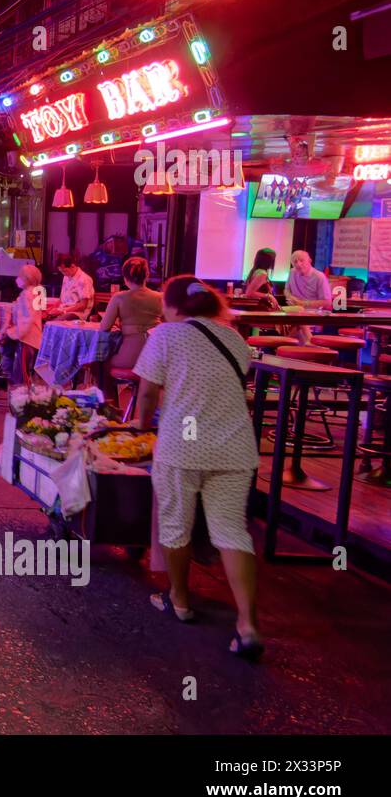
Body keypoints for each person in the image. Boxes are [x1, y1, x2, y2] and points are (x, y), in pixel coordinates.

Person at [133, 275, 264, 660]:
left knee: (176, 524)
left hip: (182, 445)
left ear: (173, 307)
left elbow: (146, 391)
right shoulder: (237, 341)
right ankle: (248, 624)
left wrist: (141, 428)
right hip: (235, 446)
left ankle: (179, 599)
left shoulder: (164, 336)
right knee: (231, 531)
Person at [99, 256, 162, 373]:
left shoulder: (119, 297)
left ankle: (109, 392)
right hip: (157, 354)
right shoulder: (160, 297)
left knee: (98, 364)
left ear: (125, 278)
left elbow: (104, 327)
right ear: (147, 276)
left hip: (131, 354)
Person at [0, 264, 44, 384]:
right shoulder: (35, 292)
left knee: (21, 377)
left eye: (20, 276)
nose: (17, 278)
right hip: (29, 338)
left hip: (26, 339)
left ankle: (19, 400)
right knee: (20, 373)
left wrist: (9, 333)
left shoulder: (28, 295)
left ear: (27, 279)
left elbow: (26, 321)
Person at [285, 250, 332, 345]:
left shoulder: (319, 276)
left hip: (313, 312)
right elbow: (286, 290)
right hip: (295, 310)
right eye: (295, 261)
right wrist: (290, 298)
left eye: (301, 260)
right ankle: (309, 343)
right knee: (284, 313)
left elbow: (328, 302)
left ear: (309, 261)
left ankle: (309, 343)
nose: (298, 264)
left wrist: (303, 303)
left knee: (300, 316)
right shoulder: (292, 272)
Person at [54, 253, 94, 318]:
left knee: (55, 322)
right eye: (61, 271)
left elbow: (83, 305)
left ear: (73, 266)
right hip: (63, 309)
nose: (63, 273)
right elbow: (61, 298)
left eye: (64, 271)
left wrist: (63, 311)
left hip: (77, 313)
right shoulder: (66, 276)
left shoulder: (84, 279)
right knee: (44, 317)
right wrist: (53, 308)